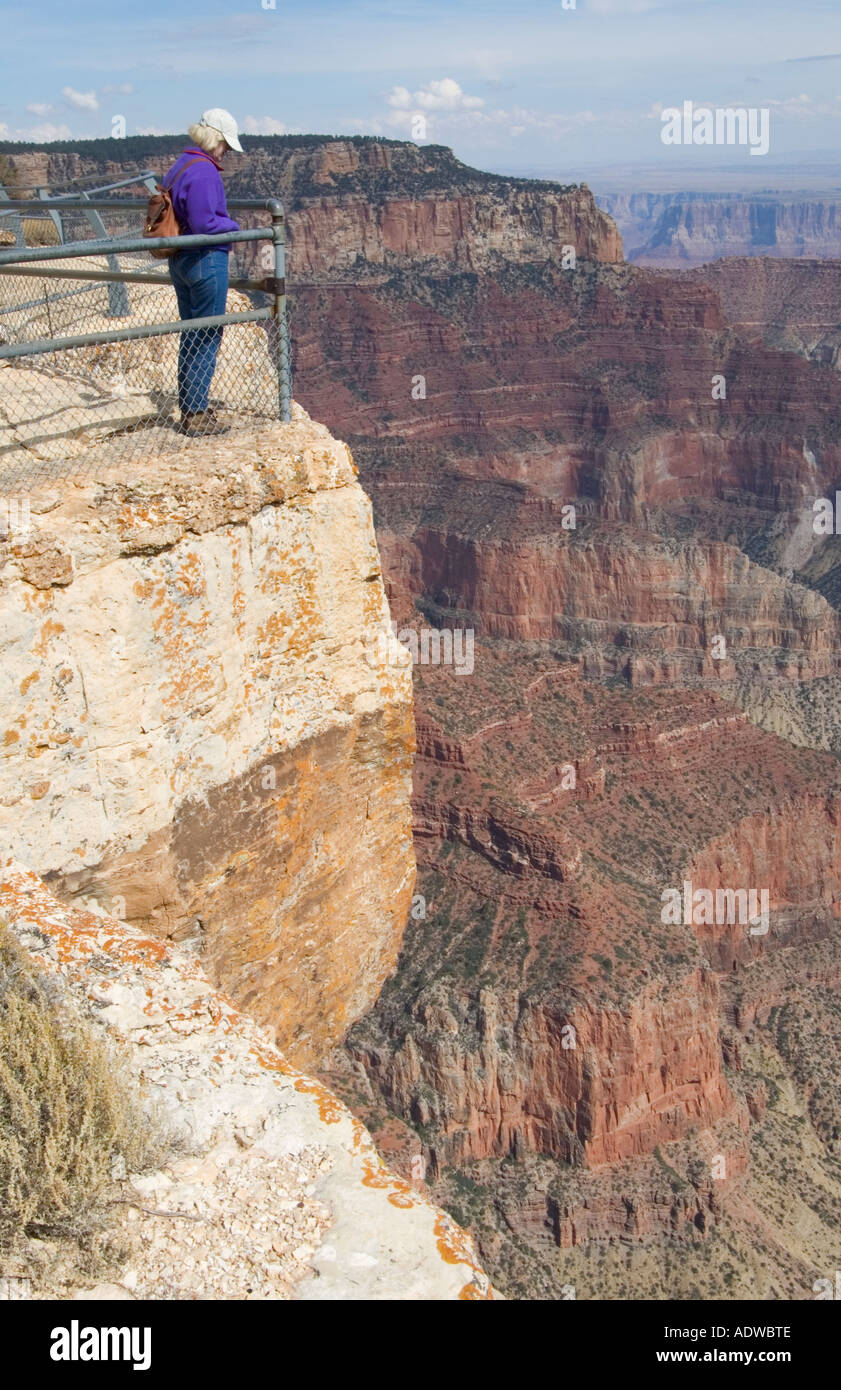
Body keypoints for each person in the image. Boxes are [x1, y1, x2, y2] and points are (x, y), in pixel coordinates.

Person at [164, 109, 242, 435]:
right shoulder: (205, 172)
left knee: (192, 332)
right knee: (208, 335)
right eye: (224, 144)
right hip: (206, 261)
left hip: (180, 260)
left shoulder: (180, 165)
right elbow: (205, 223)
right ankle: (197, 414)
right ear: (215, 139)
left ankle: (191, 406)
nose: (225, 151)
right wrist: (234, 226)